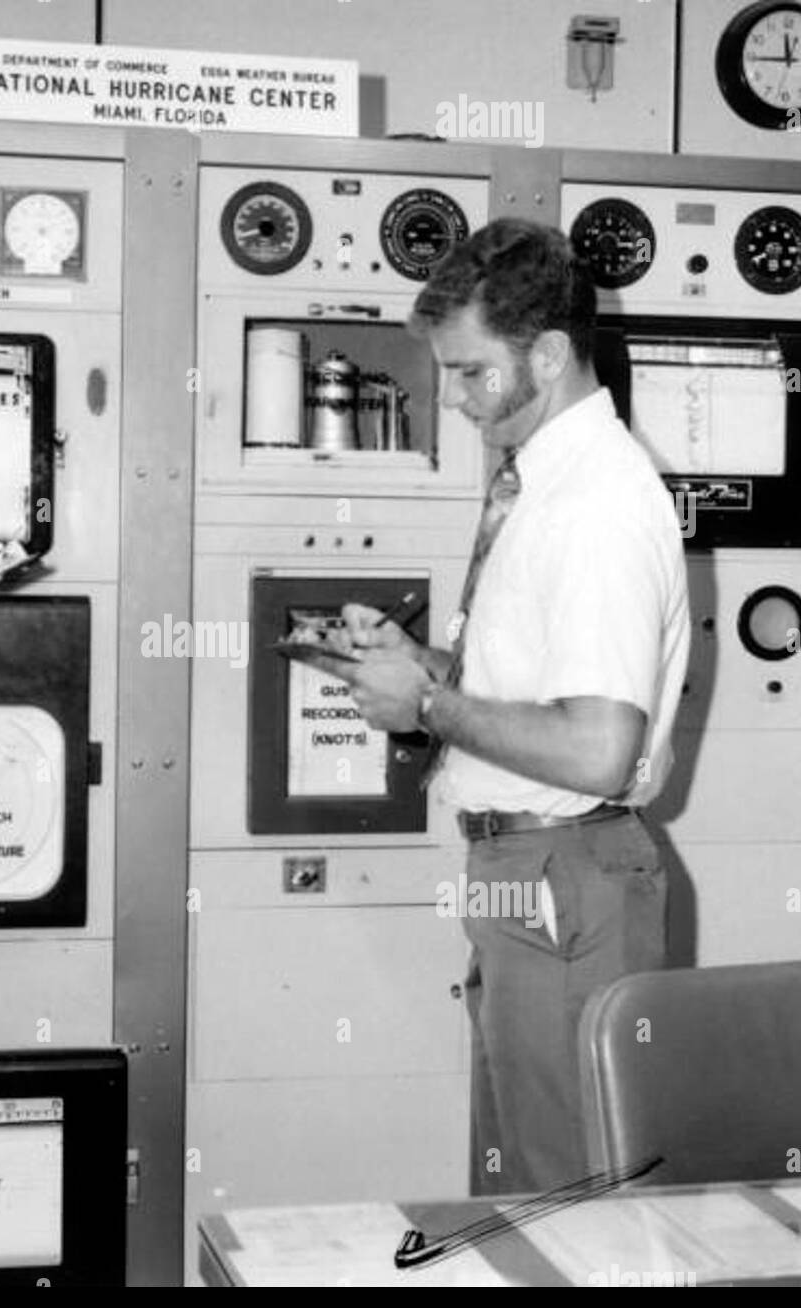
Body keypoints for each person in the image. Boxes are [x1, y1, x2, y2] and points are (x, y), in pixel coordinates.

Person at [332, 219, 690, 1196]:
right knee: (524, 1188)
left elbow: (598, 749)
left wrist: (431, 702)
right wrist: (422, 668)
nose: (448, 398)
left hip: (560, 871)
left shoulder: (597, 504)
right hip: (518, 867)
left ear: (548, 354)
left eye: (469, 372)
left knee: (573, 1199)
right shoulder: (544, 485)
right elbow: (542, 694)